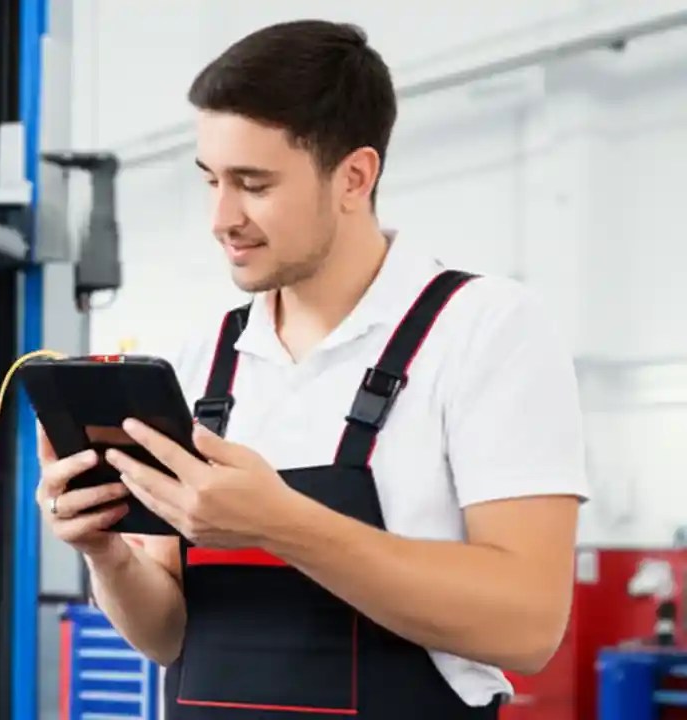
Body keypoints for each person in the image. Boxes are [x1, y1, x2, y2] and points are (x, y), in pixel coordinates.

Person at [35, 18, 588, 720]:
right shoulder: (200, 363)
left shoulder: (486, 330)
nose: (220, 217)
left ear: (354, 176)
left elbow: (527, 626)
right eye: (210, 180)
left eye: (253, 184)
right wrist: (106, 554)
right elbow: (168, 636)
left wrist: (280, 524)